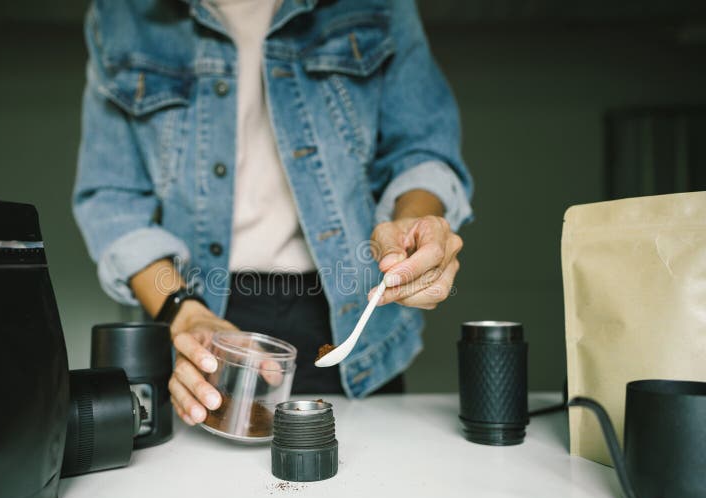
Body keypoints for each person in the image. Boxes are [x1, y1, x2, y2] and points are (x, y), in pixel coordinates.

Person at [73, 0, 473, 427]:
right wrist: (181, 312)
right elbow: (111, 200)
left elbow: (421, 150)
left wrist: (414, 221)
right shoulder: (121, 14)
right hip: (199, 312)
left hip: (351, 310)